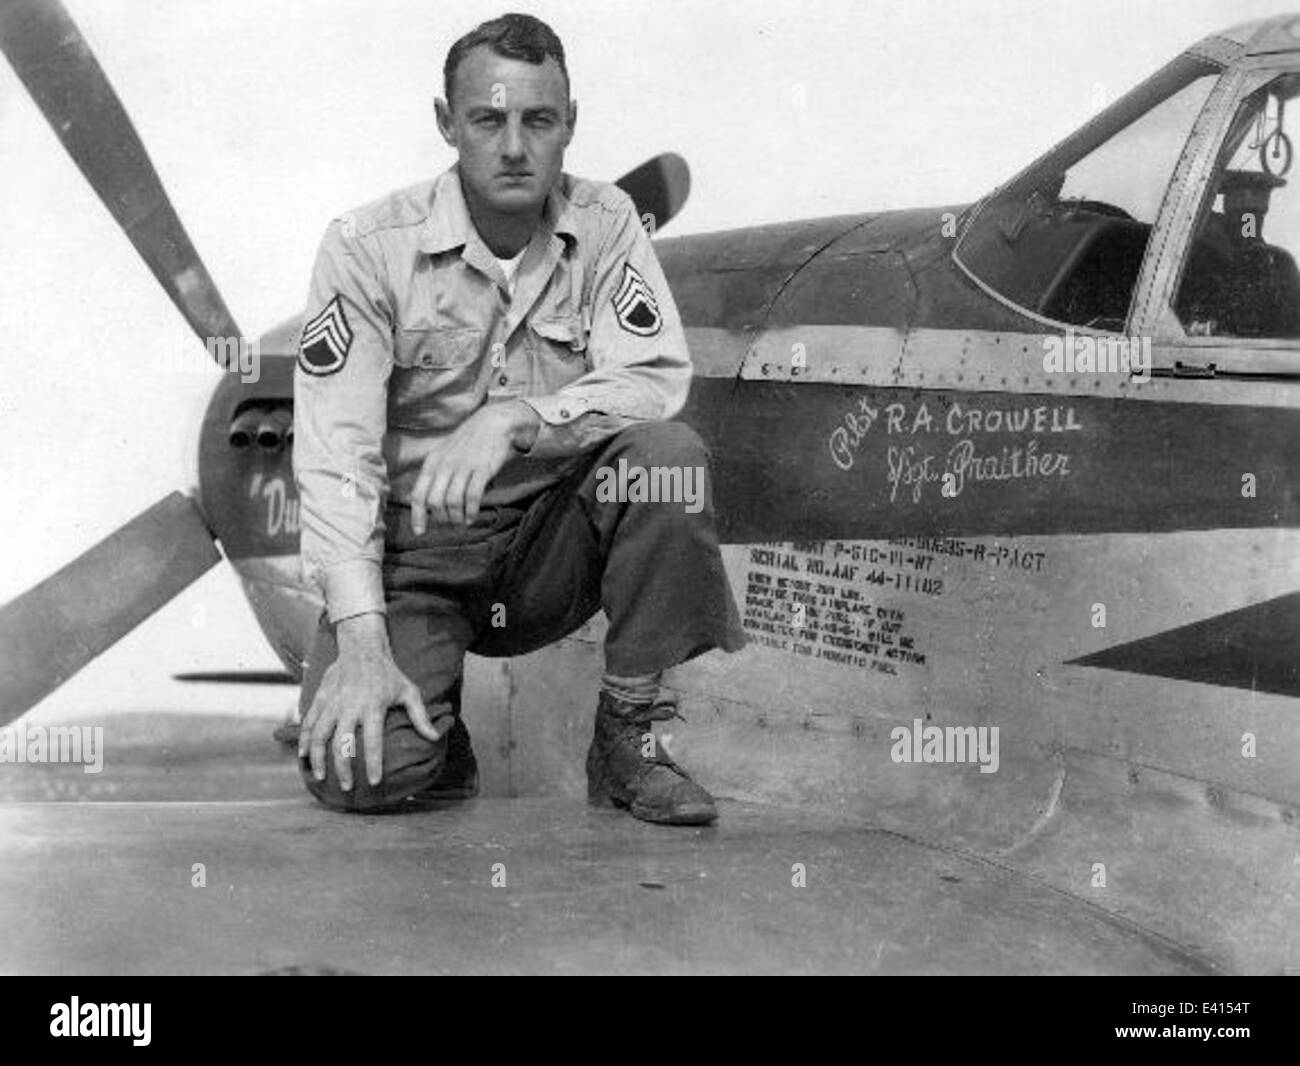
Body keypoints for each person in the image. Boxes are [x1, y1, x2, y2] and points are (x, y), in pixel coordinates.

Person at [291, 12, 745, 824]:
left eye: (538, 120)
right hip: (417, 557)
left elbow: (653, 380)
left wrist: (521, 417)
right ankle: (439, 739)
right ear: (446, 124)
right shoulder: (365, 247)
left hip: (548, 542)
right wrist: (361, 643)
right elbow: (336, 452)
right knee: (364, 774)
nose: (513, 146)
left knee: (667, 455)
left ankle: (626, 738)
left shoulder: (607, 227)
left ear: (570, 124)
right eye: (487, 119)